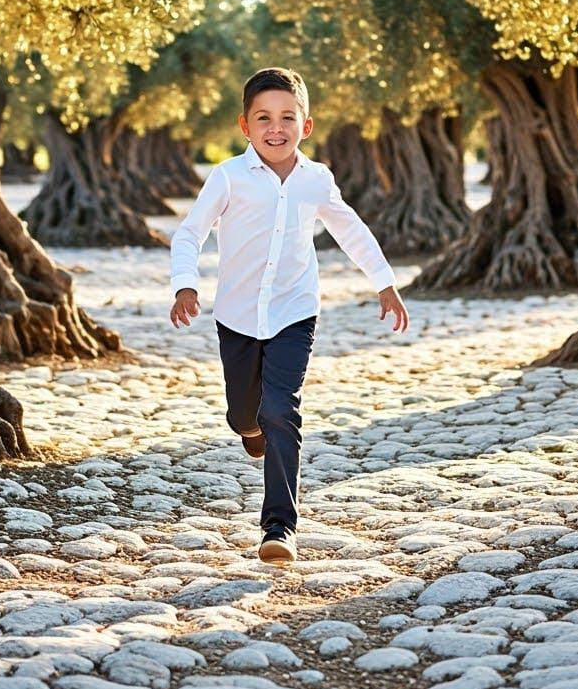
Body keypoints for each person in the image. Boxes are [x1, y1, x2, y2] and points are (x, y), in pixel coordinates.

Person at [168, 67, 409, 564]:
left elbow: (350, 228)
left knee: (281, 408)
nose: (275, 128)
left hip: (295, 312)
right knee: (245, 414)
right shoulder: (229, 177)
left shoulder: (316, 180)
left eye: (286, 118)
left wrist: (384, 282)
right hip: (237, 315)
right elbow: (190, 232)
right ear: (245, 125)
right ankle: (250, 429)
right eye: (263, 118)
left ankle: (279, 526)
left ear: (306, 125)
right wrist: (185, 283)